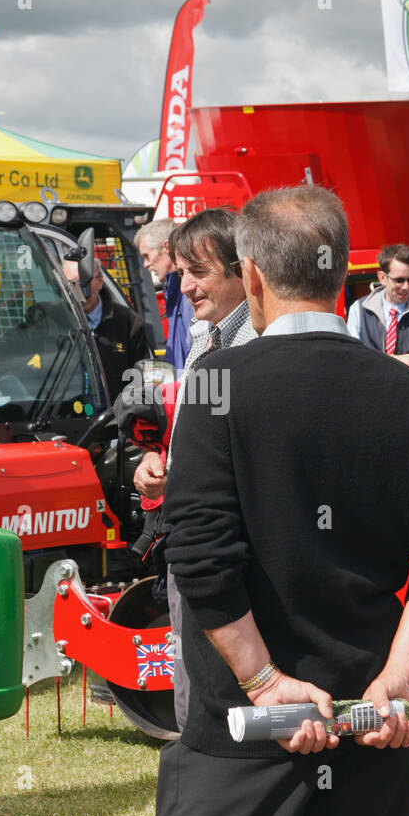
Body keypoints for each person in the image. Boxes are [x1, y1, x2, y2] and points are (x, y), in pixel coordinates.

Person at [158, 185, 409, 816]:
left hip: (243, 736)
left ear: (251, 275)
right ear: (340, 275)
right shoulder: (406, 392)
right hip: (368, 719)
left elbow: (198, 554)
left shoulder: (217, 386)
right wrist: (398, 681)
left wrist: (266, 683)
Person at [132, 206, 257, 733]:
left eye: (197, 272)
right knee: (193, 683)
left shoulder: (259, 343)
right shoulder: (206, 338)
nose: (184, 287)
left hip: (234, 546)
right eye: (180, 272)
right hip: (193, 536)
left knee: (229, 692)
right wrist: (159, 461)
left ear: (242, 270)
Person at [63, 256, 152, 403]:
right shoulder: (52, 321)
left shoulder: (128, 321)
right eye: (71, 283)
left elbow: (142, 380)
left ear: (99, 280)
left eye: (82, 282)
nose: (77, 290)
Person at [346, 243, 409, 366]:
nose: (406, 287)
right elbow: (352, 355)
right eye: (399, 280)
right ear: (382, 278)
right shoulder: (358, 310)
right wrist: (394, 361)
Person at [137, 218, 195, 375]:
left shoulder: (190, 295)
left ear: (166, 247)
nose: (145, 264)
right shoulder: (175, 292)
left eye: (147, 256)